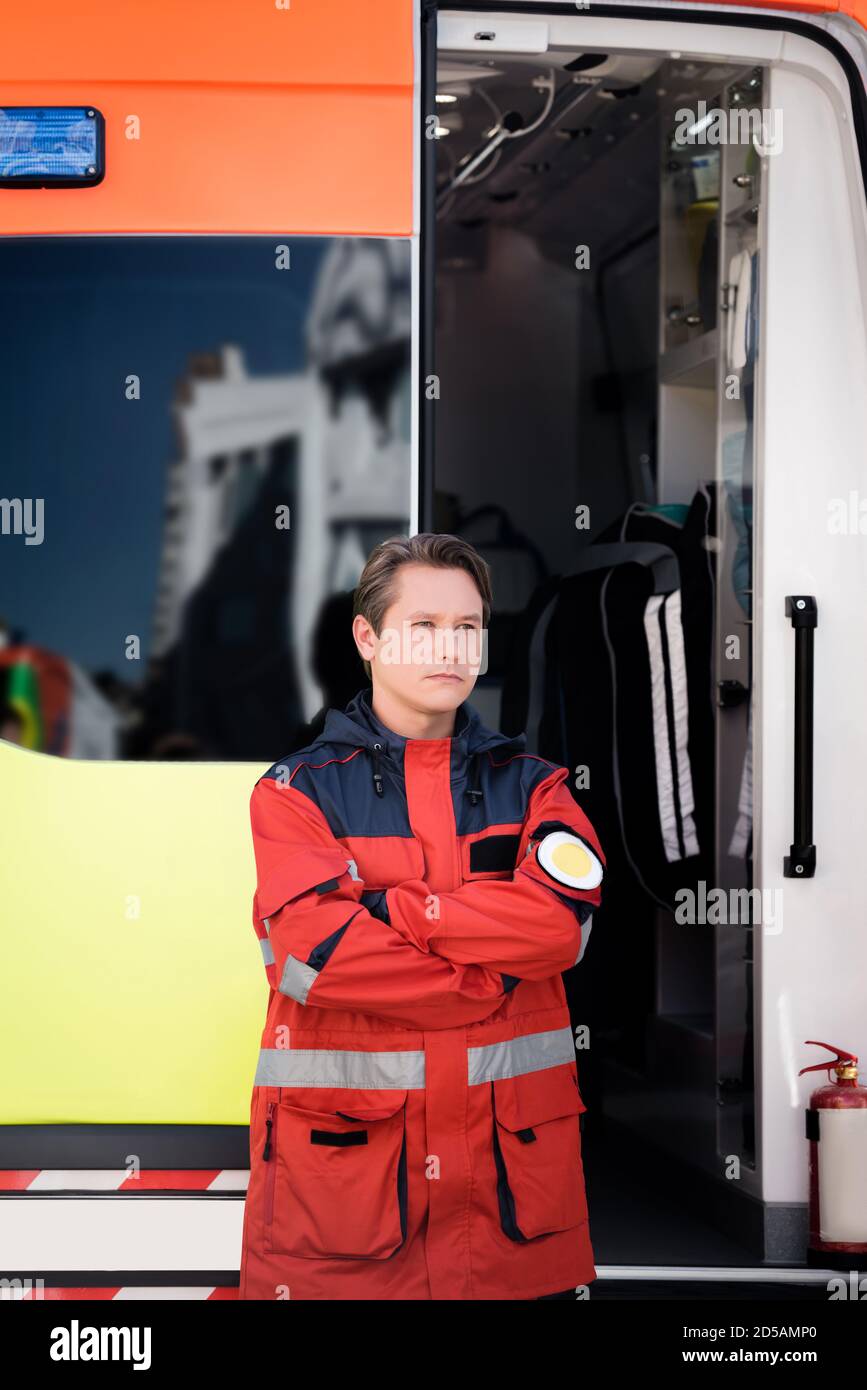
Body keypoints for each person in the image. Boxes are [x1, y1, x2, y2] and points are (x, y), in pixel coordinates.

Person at [238, 532, 605, 1301]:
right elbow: (319, 957)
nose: (453, 648)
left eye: (468, 627)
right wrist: (481, 980)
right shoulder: (295, 793)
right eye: (425, 626)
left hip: (506, 1200)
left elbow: (557, 931)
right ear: (367, 637)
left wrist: (387, 906)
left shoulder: (537, 787)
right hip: (351, 1201)